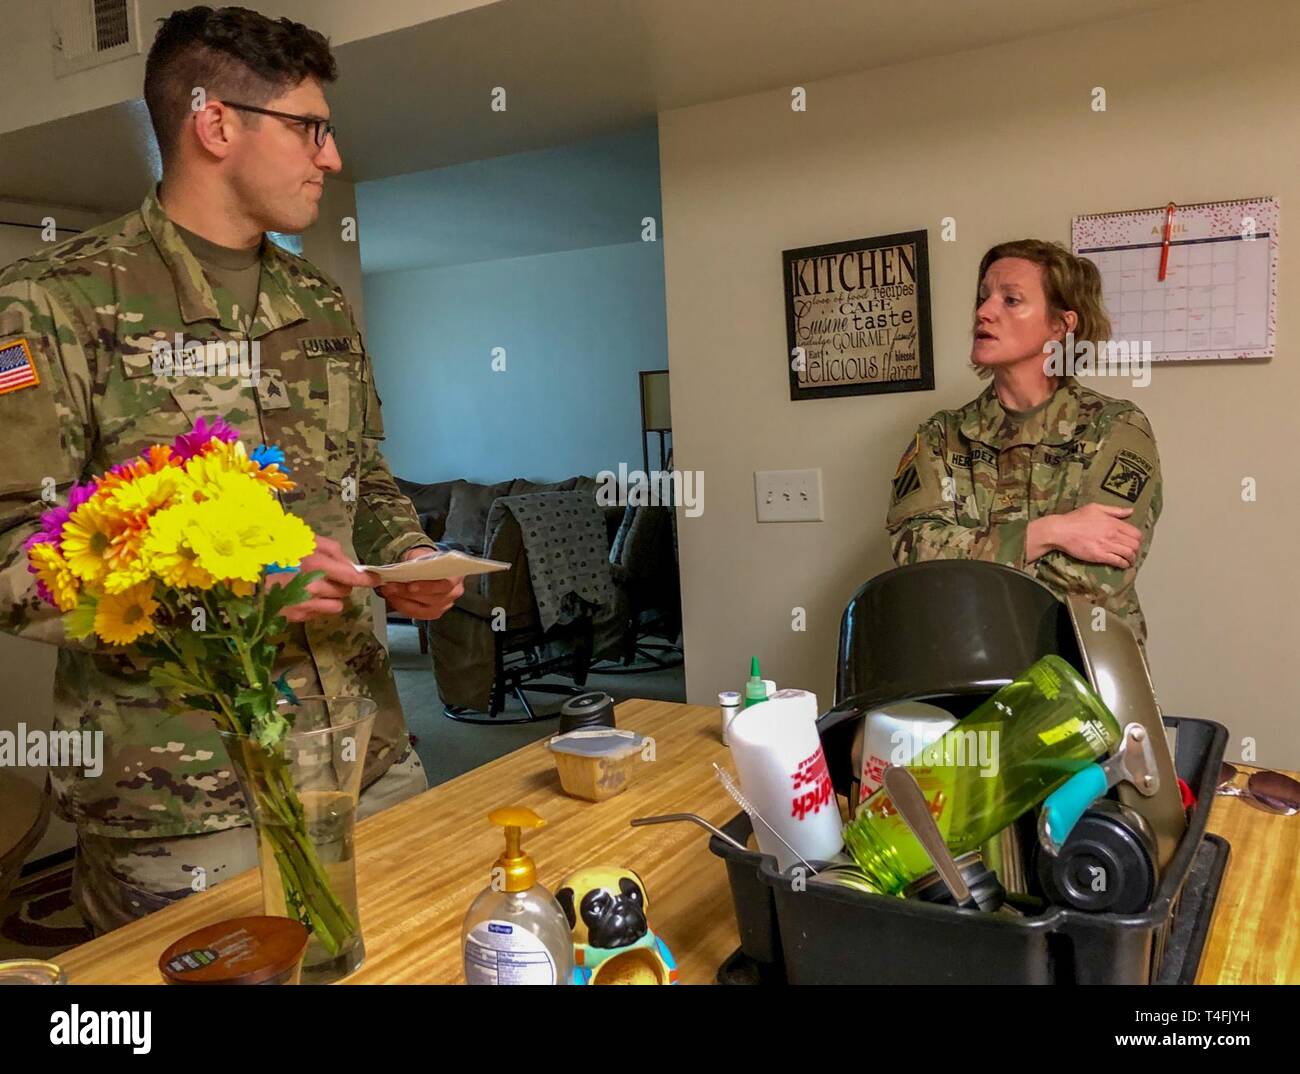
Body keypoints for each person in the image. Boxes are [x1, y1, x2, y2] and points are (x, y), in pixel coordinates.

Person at [0, 6, 463, 933]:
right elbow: (12, 550)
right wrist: (231, 588)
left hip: (363, 760)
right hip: (182, 800)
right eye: (310, 129)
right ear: (215, 124)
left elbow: (364, 478)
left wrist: (411, 557)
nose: (331, 157)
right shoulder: (56, 302)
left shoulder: (319, 299)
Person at [887, 239, 1161, 645]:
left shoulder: (1114, 426)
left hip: (1081, 663)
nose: (983, 312)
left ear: (1060, 325)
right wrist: (1047, 533)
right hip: (965, 663)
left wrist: (972, 559)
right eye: (983, 297)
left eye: (1010, 300)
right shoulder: (941, 435)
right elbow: (915, 555)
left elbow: (1097, 580)